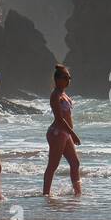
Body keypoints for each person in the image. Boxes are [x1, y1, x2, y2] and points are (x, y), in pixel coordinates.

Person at [43, 64, 82, 195]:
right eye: (65, 77)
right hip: (57, 132)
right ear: (57, 79)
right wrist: (73, 134)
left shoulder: (63, 94)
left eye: (69, 77)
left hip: (65, 133)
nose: (68, 80)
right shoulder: (55, 95)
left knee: (75, 163)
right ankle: (46, 194)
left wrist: (70, 133)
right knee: (53, 165)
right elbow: (59, 119)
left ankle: (78, 193)